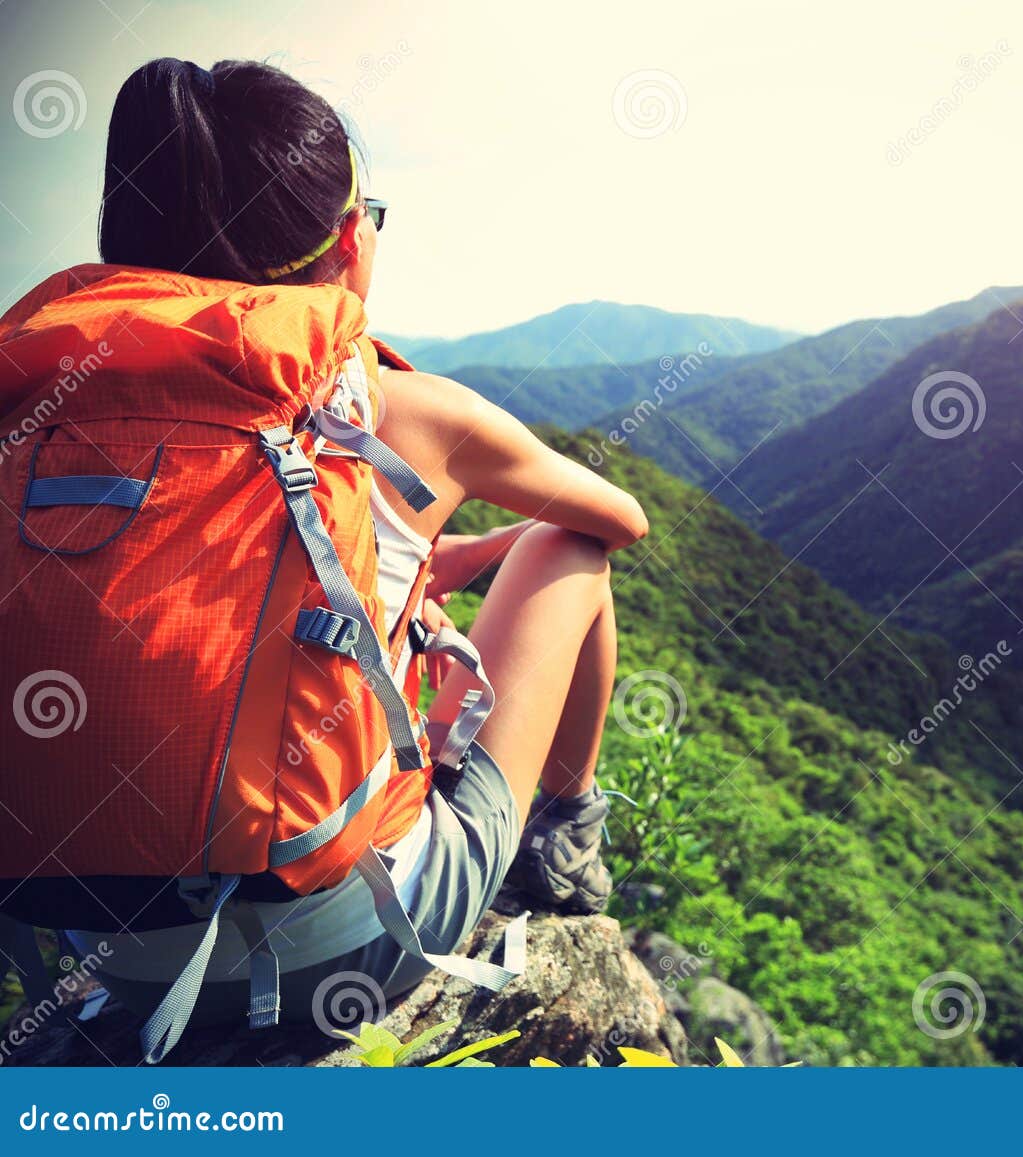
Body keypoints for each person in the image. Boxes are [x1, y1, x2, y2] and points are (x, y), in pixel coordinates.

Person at [0, 57, 647, 1048]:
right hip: (344, 944)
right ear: (351, 238)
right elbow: (621, 516)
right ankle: (566, 842)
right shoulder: (403, 413)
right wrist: (491, 535)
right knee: (574, 550)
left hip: (96, 952)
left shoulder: (36, 413)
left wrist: (425, 560)